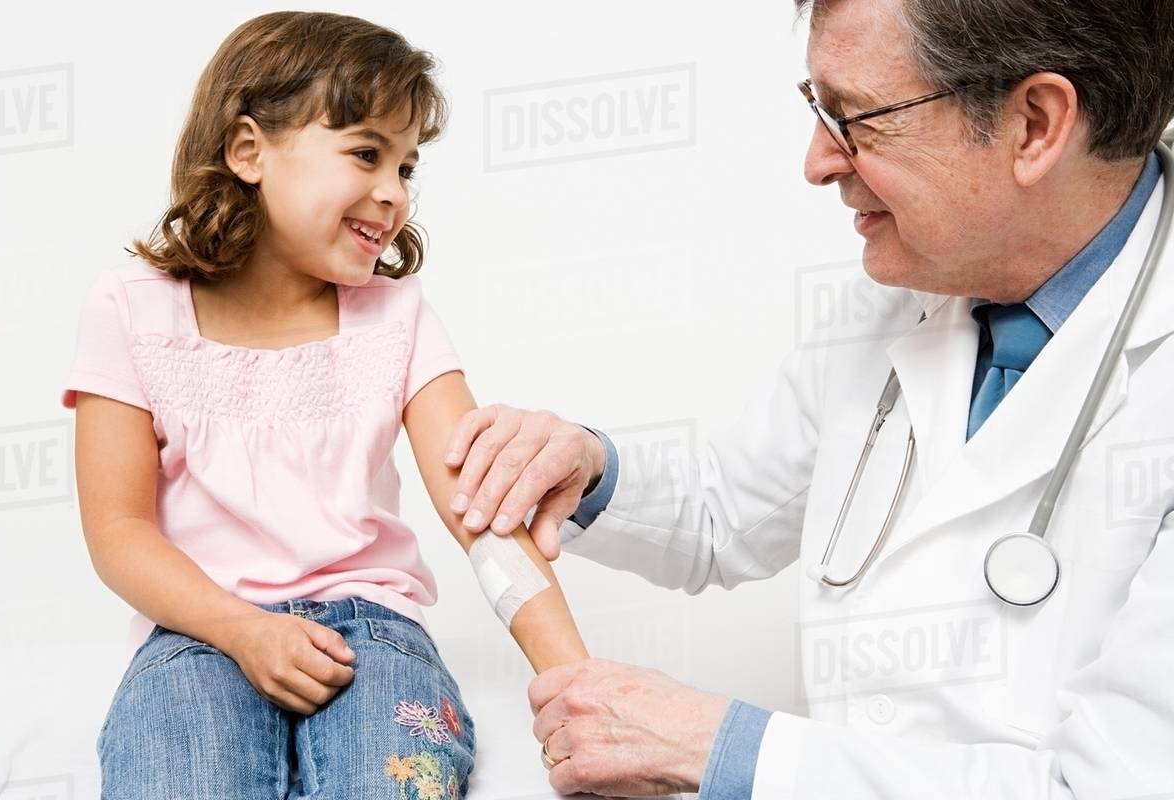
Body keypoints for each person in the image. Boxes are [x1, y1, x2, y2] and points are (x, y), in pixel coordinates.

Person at [442, 0, 1174, 795]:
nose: (818, 161)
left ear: (1034, 125)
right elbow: (729, 516)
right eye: (820, 108)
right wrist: (589, 471)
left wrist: (724, 750)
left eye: (857, 118)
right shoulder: (922, 276)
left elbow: (1111, 786)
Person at [61, 12, 587, 799]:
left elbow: (484, 514)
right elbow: (118, 532)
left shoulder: (397, 316)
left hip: (374, 633)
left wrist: (578, 685)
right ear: (248, 151)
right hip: (196, 634)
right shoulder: (130, 309)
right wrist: (242, 629)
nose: (394, 192)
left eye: (407, 166)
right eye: (367, 154)